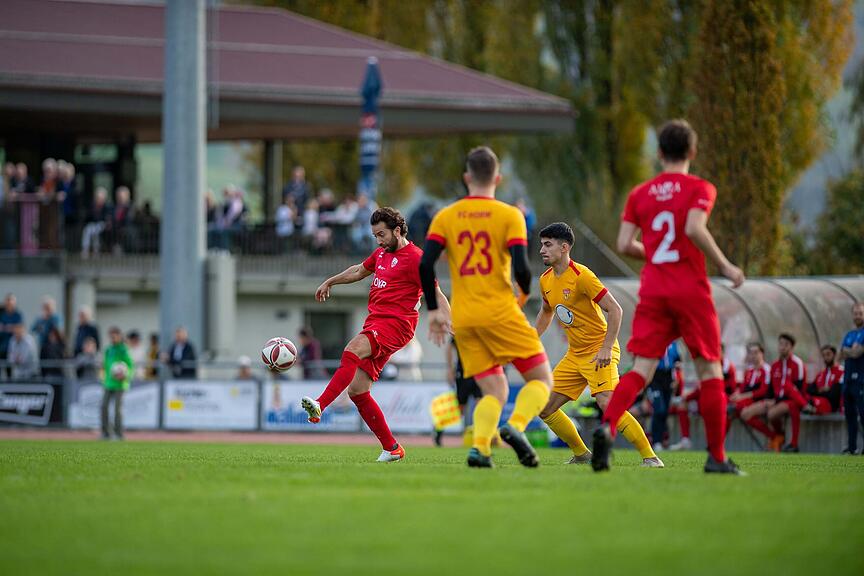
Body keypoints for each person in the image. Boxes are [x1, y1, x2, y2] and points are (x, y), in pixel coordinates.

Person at [594, 119, 746, 474]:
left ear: (659, 153)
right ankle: (717, 458)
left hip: (654, 289)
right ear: (692, 152)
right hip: (690, 290)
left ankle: (606, 427)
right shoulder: (699, 187)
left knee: (642, 369)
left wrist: (656, 254)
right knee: (709, 368)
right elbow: (694, 227)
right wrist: (724, 265)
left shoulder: (640, 194)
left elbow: (622, 244)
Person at [419, 145, 554, 468]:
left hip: (464, 319)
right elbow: (522, 268)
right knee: (541, 381)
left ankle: (480, 448)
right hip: (500, 311)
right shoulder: (510, 215)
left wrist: (436, 309)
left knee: (493, 389)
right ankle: (516, 427)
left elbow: (425, 265)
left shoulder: (446, 216)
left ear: (467, 177)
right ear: (498, 177)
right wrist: (522, 293)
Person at [301, 207, 450, 463]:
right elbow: (359, 270)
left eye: (381, 234)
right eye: (375, 236)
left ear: (397, 230)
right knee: (358, 391)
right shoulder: (381, 253)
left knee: (352, 348)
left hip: (397, 325)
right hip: (377, 322)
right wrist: (330, 281)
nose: (379, 240)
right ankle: (392, 448)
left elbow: (436, 293)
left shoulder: (416, 258)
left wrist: (447, 320)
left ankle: (320, 405)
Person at [533, 222, 662, 466]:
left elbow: (615, 310)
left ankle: (650, 457)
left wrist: (606, 347)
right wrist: (530, 339)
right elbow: (546, 312)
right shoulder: (545, 280)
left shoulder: (583, 276)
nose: (542, 250)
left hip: (599, 350)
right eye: (541, 244)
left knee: (606, 403)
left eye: (547, 245)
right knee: (545, 407)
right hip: (575, 354)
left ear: (564, 247)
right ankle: (582, 455)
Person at [765, 334, 807, 453]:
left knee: (772, 413)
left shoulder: (797, 363)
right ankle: (778, 436)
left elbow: (797, 390)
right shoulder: (774, 365)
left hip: (794, 400)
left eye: (786, 345)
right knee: (749, 412)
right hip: (779, 400)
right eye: (780, 344)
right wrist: (769, 399)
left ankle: (782, 438)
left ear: (792, 347)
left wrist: (776, 401)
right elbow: (770, 387)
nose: (782, 347)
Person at [644, 342, 683, 453]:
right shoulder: (655, 341)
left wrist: (677, 378)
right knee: (659, 409)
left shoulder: (674, 344)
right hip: (655, 378)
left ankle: (660, 440)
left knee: (665, 411)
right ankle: (656, 441)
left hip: (668, 378)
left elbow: (678, 362)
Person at [726, 342, 770, 436]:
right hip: (747, 400)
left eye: (756, 352)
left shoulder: (766, 370)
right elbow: (743, 387)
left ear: (762, 354)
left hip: (759, 400)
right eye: (751, 353)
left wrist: (742, 396)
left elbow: (763, 391)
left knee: (738, 410)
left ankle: (773, 437)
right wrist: (736, 394)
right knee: (728, 409)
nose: (753, 355)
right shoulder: (749, 370)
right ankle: (720, 441)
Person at [839, 302, 864, 454]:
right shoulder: (849, 334)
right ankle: (852, 447)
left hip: (861, 380)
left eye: (860, 313)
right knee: (850, 415)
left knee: (863, 413)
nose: (857, 316)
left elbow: (856, 353)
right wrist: (850, 350)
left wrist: (849, 351)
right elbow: (840, 354)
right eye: (855, 313)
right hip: (848, 380)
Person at [102, 326, 133, 440]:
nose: (113, 338)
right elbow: (106, 366)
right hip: (109, 383)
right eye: (111, 336)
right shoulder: (108, 350)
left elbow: (130, 366)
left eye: (115, 336)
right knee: (103, 406)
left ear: (119, 336)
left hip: (120, 384)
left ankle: (119, 434)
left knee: (117, 409)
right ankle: (106, 433)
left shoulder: (123, 349)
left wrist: (125, 374)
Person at [804, 345, 843, 415]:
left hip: (831, 405)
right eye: (824, 355)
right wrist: (823, 390)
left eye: (828, 354)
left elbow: (834, 394)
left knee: (812, 403)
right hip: (818, 401)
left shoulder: (841, 372)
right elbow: (809, 389)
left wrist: (819, 391)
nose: (826, 357)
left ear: (834, 355)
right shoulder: (821, 374)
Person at [0, 293, 24, 377]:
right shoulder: (2, 315)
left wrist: (6, 327)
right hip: (2, 347)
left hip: (14, 349)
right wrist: (11, 327)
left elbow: (19, 328)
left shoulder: (17, 315)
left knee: (11, 373)